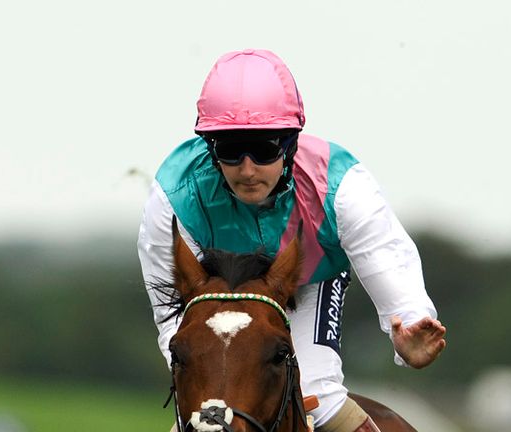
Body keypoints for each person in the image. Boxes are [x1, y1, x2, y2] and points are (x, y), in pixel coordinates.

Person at [137, 49, 447, 432]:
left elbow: (389, 261)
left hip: (308, 281)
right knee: (203, 416)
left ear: (290, 143)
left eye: (264, 149)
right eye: (230, 151)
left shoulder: (343, 187)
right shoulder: (173, 195)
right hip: (215, 300)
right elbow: (173, 321)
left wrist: (411, 324)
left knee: (318, 393)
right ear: (210, 147)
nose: (247, 169)